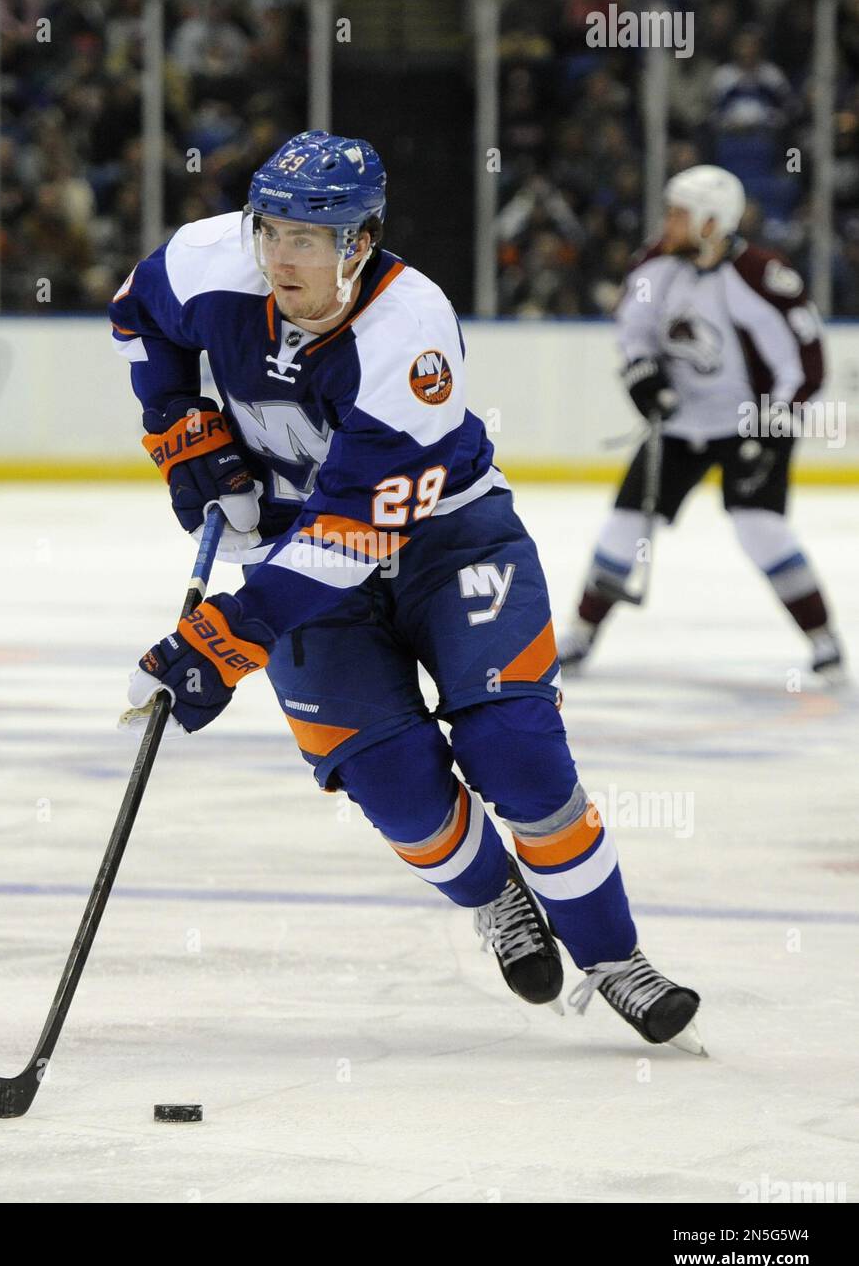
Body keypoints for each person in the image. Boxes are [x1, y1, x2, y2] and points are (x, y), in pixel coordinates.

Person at [110, 130, 702, 1051]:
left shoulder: (410, 331)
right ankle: (496, 895)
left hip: (448, 540)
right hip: (300, 557)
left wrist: (230, 637)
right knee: (391, 780)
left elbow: (355, 530)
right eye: (270, 231)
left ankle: (613, 957)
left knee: (515, 750)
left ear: (362, 240)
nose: (280, 256)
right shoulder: (205, 260)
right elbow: (137, 320)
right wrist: (179, 426)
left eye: (310, 237)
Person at [559, 164, 845, 680]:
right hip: (679, 426)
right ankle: (579, 637)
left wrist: (771, 430)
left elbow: (804, 367)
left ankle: (825, 642)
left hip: (749, 426)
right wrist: (643, 377)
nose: (666, 223)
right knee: (625, 525)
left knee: (761, 528)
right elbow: (635, 334)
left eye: (678, 214)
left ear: (712, 223)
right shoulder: (654, 266)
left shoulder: (762, 275)